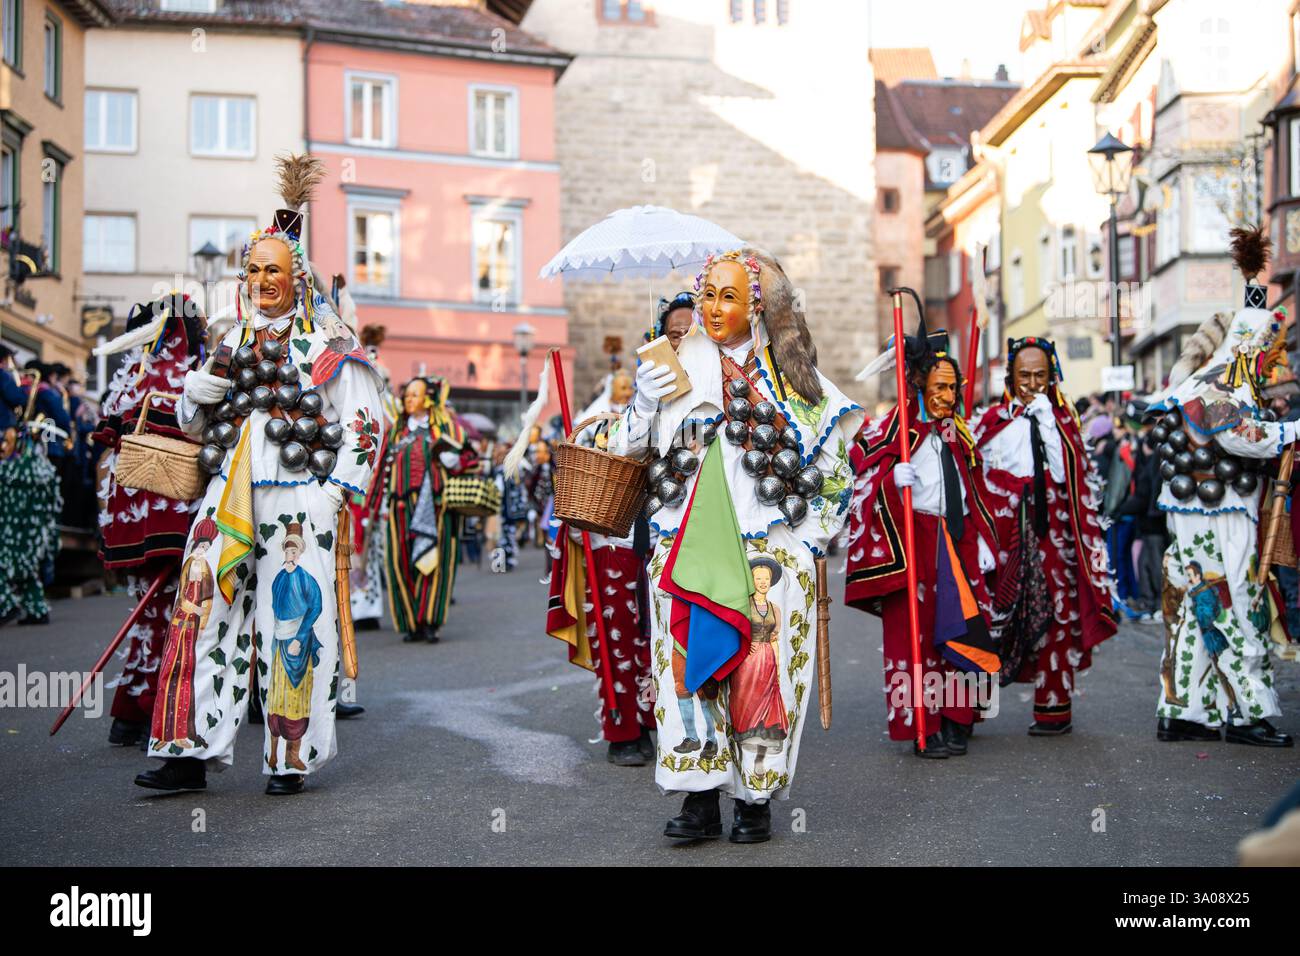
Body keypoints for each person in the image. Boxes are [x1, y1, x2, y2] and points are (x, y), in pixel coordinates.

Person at [134, 153, 386, 796]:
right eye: (251, 269)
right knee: (201, 604)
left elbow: (366, 422)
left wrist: (335, 494)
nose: (259, 279)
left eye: (271, 269)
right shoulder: (228, 339)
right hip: (226, 491)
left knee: (293, 619)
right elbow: (197, 428)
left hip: (301, 497)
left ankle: (287, 754)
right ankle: (187, 750)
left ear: (296, 279)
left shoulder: (329, 344)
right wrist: (194, 394)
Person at [604, 247, 862, 844]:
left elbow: (834, 468)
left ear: (756, 305)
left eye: (728, 296)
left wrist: (806, 543)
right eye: (706, 295)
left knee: (760, 676)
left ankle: (755, 798)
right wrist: (642, 402)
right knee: (687, 676)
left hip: (767, 554)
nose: (714, 309)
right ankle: (698, 798)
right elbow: (625, 450)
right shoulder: (669, 365)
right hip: (684, 549)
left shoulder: (794, 378)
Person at [1147, 226, 1294, 747]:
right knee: (1231, 600)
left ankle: (1183, 708)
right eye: (1272, 355)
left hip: (1211, 509)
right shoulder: (1218, 384)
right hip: (1219, 512)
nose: (1278, 365)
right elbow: (1244, 438)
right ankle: (1247, 711)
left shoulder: (1211, 380)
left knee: (1197, 604)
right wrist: (1292, 430)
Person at [845, 318, 1001, 757]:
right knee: (917, 637)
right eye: (939, 387)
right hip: (915, 539)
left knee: (965, 629)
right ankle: (923, 725)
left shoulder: (960, 434)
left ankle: (956, 720)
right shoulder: (894, 430)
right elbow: (862, 485)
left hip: (958, 540)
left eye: (954, 388)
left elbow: (975, 487)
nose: (949, 398)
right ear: (917, 384)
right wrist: (890, 482)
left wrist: (983, 538)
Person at [974, 336, 1116, 736]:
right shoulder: (992, 420)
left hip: (1053, 540)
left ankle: (1053, 707)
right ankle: (967, 710)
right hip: (1005, 540)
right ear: (1010, 376)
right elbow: (978, 476)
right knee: (995, 618)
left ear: (1052, 377)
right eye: (1024, 376)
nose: (1032, 384)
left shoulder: (1064, 420)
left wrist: (1049, 422)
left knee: (1057, 621)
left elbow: (1073, 476)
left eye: (1041, 376)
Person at [92, 293, 206, 746]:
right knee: (175, 617)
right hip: (172, 514)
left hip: (130, 518)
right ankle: (154, 713)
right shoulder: (187, 376)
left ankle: (128, 715)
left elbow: (106, 433)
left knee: (146, 616)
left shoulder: (132, 375)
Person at [373, 376, 478, 643]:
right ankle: (411, 622)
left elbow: (471, 458)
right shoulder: (396, 430)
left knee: (435, 563)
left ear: (428, 398)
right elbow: (380, 468)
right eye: (407, 394)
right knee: (401, 563)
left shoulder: (445, 427)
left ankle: (431, 620)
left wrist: (454, 460)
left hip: (437, 505)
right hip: (399, 506)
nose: (409, 399)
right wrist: (373, 507)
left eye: (415, 394)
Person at [0, 353, 62, 627]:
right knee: (18, 542)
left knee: (12, 542)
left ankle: (14, 603)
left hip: (15, 473)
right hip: (20, 471)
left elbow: (19, 400)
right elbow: (19, 400)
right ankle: (31, 605)